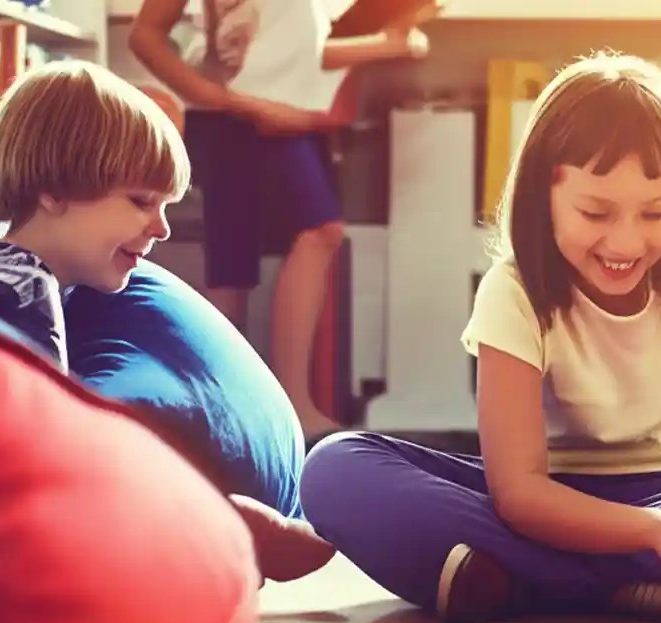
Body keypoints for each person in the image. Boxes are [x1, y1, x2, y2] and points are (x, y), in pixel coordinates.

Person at [298, 52, 661, 623]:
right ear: (545, 199)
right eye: (596, 212)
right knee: (336, 467)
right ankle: (630, 588)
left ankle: (536, 584)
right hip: (549, 502)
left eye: (655, 212)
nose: (626, 242)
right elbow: (518, 493)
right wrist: (655, 532)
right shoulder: (513, 292)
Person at [0, 60, 335, 586]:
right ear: (53, 192)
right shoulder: (18, 288)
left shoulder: (21, 279)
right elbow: (40, 443)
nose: (161, 228)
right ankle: (218, 526)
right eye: (140, 202)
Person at [129, 0, 436, 438]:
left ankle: (265, 402)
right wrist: (219, 99)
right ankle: (246, 402)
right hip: (231, 116)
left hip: (279, 114)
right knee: (258, 252)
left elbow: (301, 47)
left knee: (263, 250)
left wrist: (385, 44)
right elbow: (145, 35)